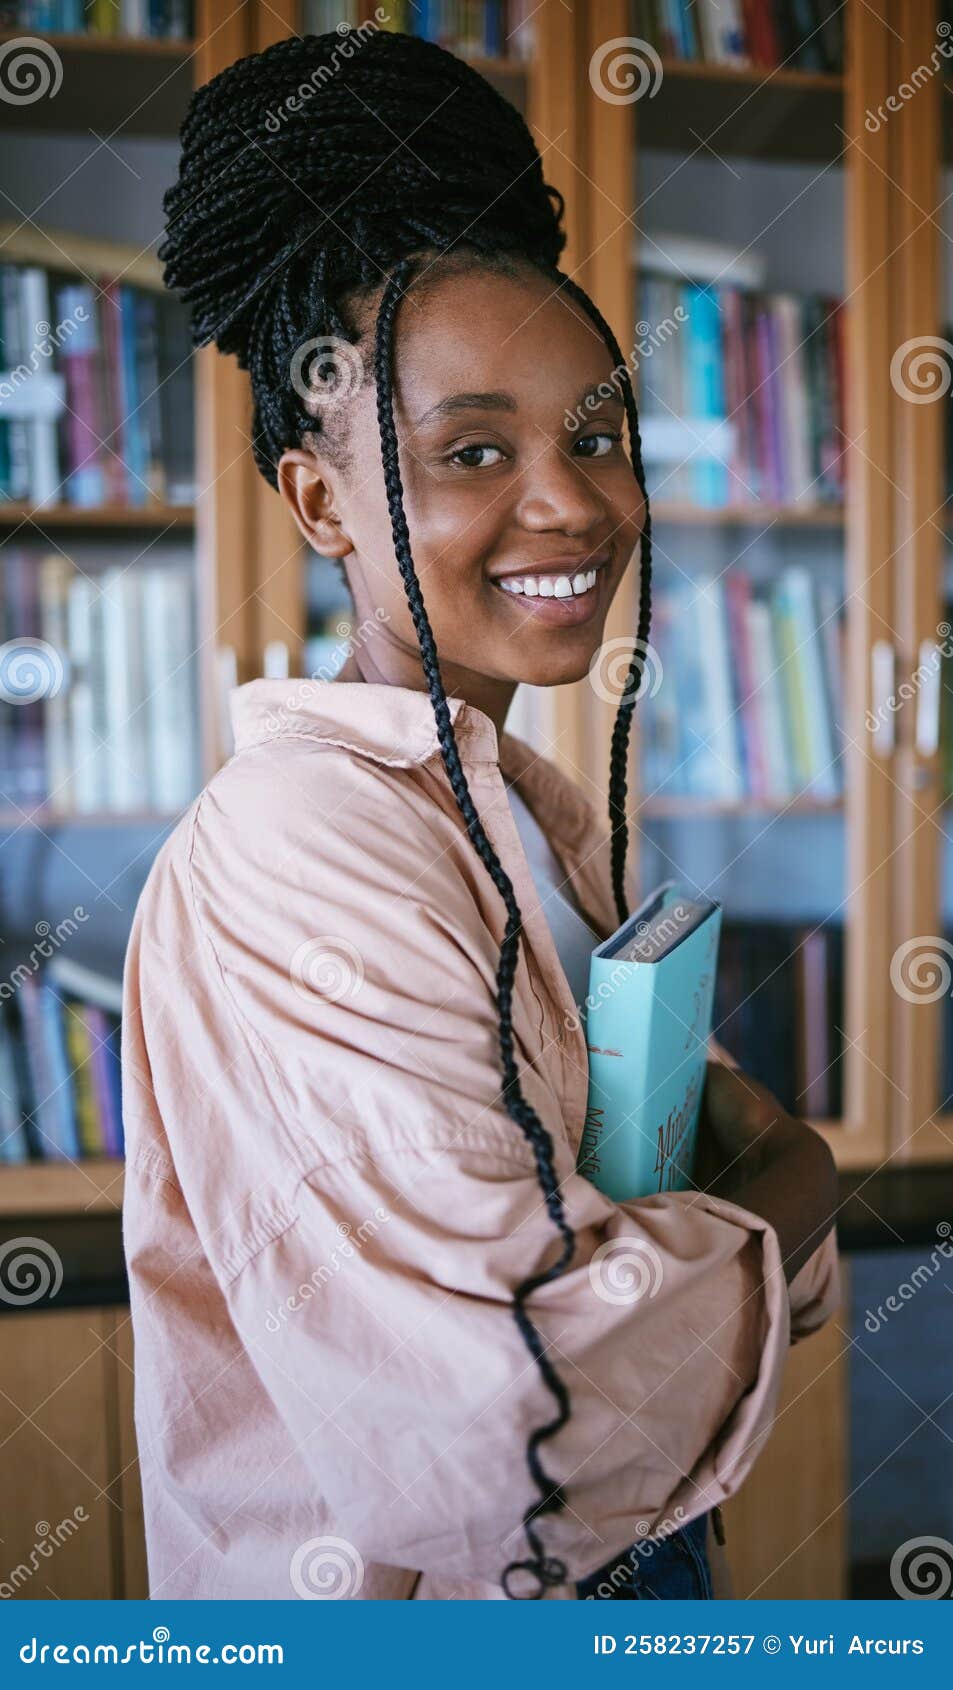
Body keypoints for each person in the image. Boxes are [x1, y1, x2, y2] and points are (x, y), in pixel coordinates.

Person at [121, 28, 840, 1603]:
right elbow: (518, 1401)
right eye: (471, 452)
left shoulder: (518, 809)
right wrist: (799, 1179)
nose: (570, 499)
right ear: (320, 503)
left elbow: (650, 1232)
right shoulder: (303, 842)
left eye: (594, 434)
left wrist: (720, 1214)